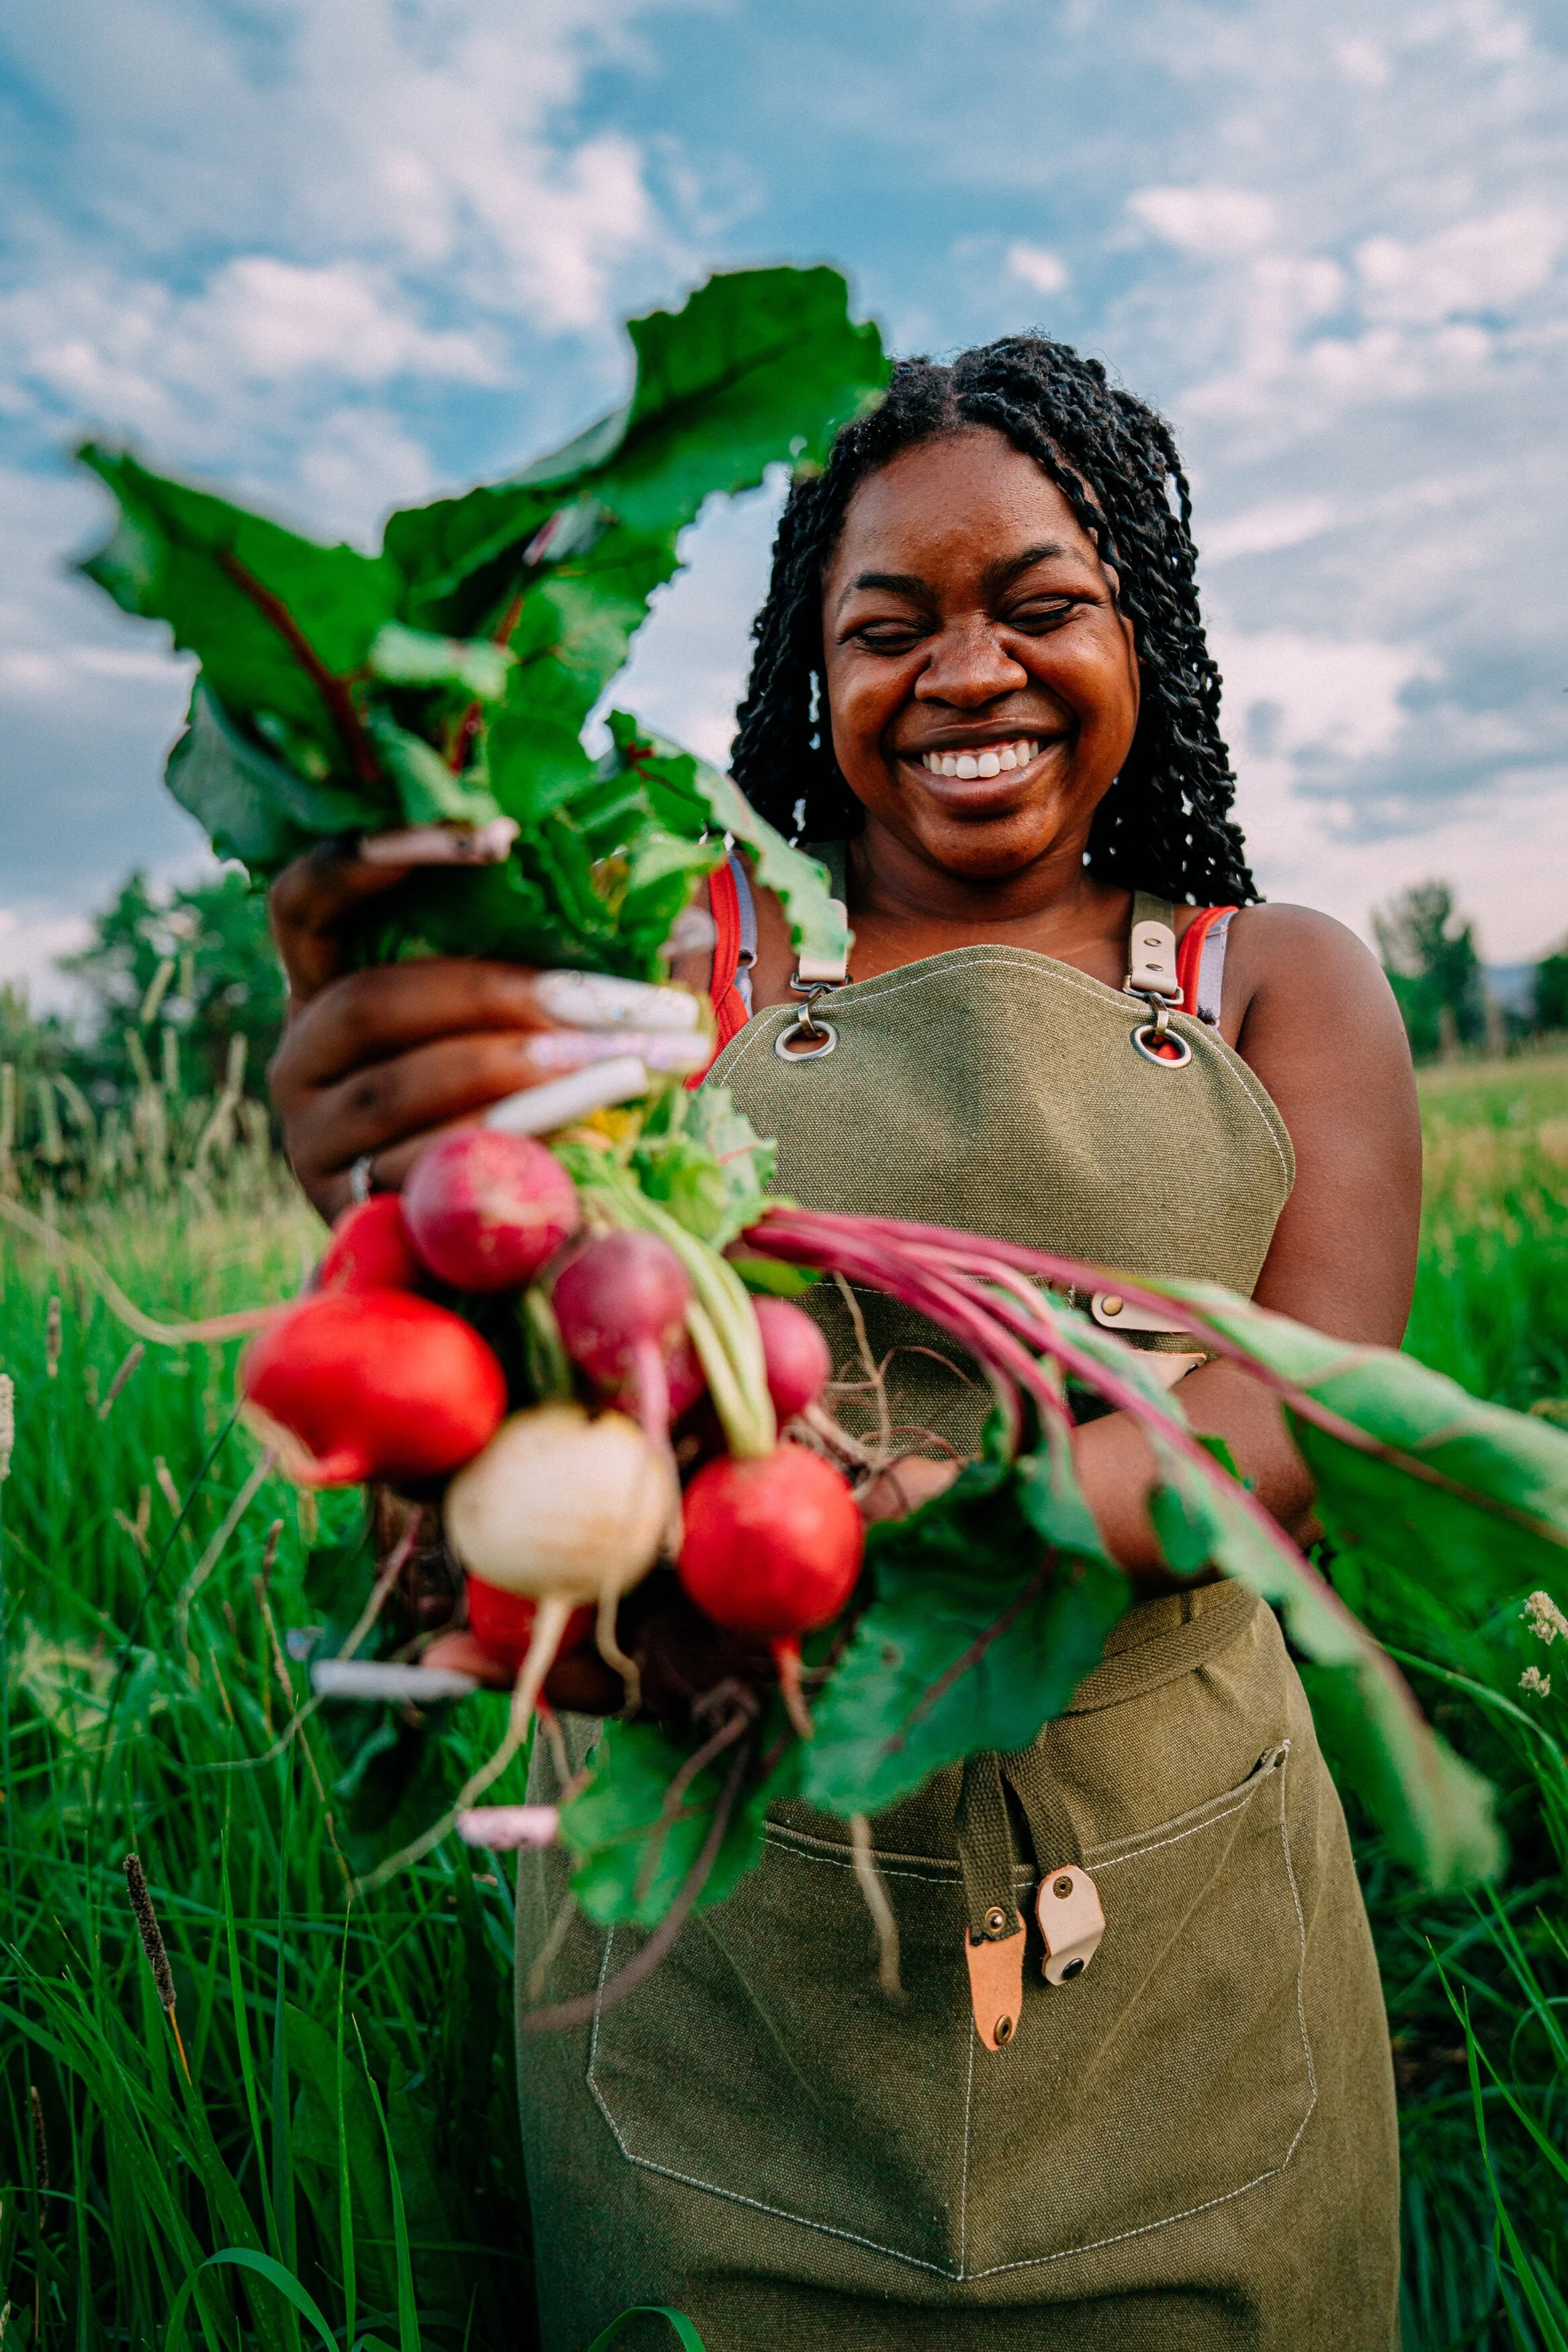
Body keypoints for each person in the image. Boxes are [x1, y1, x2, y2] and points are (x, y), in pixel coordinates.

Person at [267, 337, 1419, 2350]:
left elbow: (1300, 1409)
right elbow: (503, 1293)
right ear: (816, 669)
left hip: (1172, 1934)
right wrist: (386, 1148)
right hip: (725, 1959)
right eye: (887, 627)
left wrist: (970, 1523)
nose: (964, 672)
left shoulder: (1276, 974)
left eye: (1037, 605)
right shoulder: (672, 959)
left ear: (1139, 626)